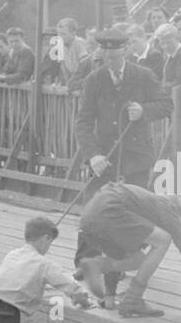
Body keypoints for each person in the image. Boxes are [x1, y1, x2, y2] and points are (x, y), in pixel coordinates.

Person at [74, 182, 181, 318]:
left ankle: (98, 265)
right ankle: (133, 299)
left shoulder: (141, 209)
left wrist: (109, 297)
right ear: (179, 215)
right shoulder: (166, 206)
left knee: (138, 259)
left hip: (89, 218)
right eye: (178, 224)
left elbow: (116, 254)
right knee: (163, 239)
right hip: (111, 209)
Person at [74, 27, 173, 197]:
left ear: (125, 50)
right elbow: (83, 122)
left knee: (136, 209)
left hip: (136, 156)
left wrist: (144, 111)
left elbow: (166, 105)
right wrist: (93, 155)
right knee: (98, 210)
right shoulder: (93, 80)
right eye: (106, 55)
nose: (110, 60)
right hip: (105, 157)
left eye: (114, 56)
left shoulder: (143, 75)